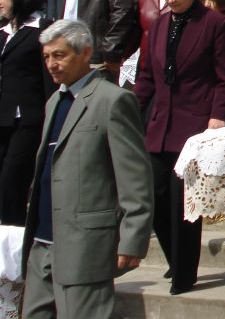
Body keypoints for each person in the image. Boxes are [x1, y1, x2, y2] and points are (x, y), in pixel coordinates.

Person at [22, 20, 153, 319]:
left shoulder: (114, 101)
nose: (51, 64)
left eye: (60, 55)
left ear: (85, 53)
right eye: (46, 57)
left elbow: (134, 177)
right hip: (43, 241)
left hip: (84, 245)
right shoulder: (54, 101)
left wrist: (133, 236)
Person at [133, 0, 225, 295]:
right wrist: (132, 111)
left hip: (195, 126)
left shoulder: (216, 24)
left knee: (184, 203)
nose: (171, 1)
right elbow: (147, 76)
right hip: (159, 124)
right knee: (155, 196)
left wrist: (218, 116)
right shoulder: (157, 26)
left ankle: (184, 272)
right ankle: (173, 259)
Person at [0, 0, 53, 225]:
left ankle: (16, 247)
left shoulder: (42, 31)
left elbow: (50, 80)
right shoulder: (2, 33)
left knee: (12, 183)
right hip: (2, 119)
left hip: (27, 121)